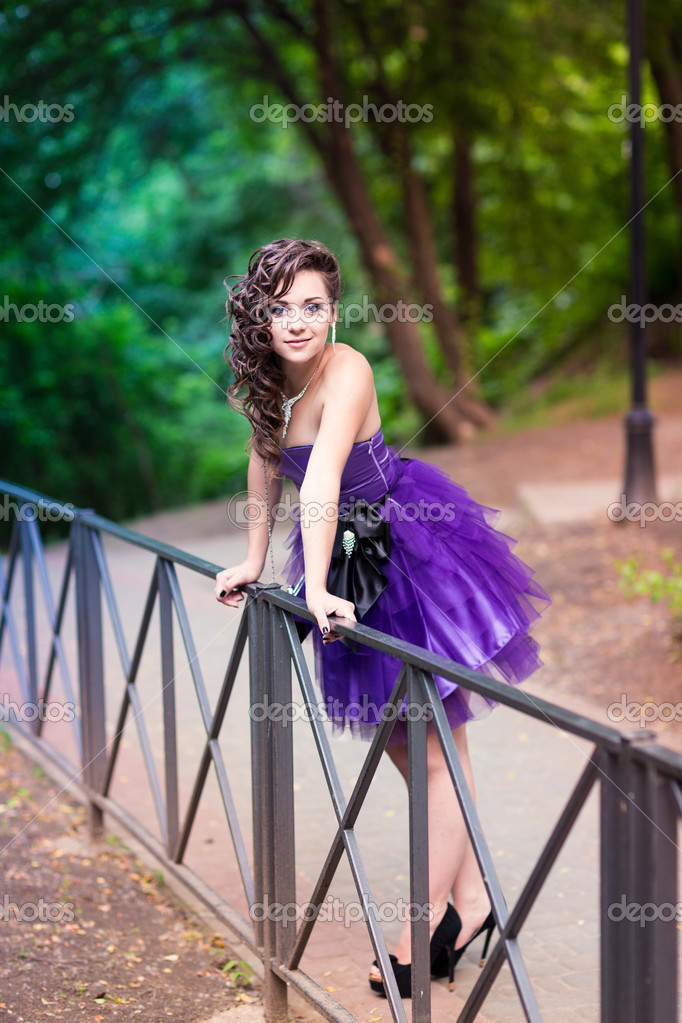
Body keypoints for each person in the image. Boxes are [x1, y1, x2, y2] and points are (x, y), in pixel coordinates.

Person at [215, 238, 551, 998]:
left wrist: (320, 586)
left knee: (437, 757)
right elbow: (266, 465)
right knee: (412, 755)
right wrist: (255, 559)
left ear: (334, 310)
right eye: (281, 307)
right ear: (258, 314)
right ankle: (471, 905)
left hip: (404, 554)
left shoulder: (349, 369)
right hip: (342, 566)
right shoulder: (265, 385)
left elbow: (325, 480)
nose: (298, 321)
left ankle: (421, 925)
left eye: (314, 306)